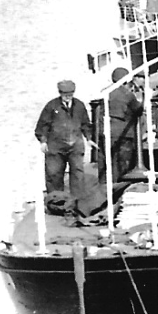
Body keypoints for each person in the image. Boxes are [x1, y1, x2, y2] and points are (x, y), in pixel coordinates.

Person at [34, 78, 94, 213]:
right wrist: (43, 141)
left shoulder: (79, 106)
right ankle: (55, 205)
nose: (67, 97)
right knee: (54, 174)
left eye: (70, 94)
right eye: (64, 94)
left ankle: (77, 204)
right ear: (60, 93)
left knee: (77, 173)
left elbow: (85, 124)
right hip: (56, 146)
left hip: (75, 145)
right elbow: (42, 126)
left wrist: (89, 139)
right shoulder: (51, 106)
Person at [103, 67, 140, 189]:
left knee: (109, 164)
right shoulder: (127, 94)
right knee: (124, 165)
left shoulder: (105, 92)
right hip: (124, 134)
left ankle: (108, 191)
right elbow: (138, 110)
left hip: (107, 132)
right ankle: (121, 189)